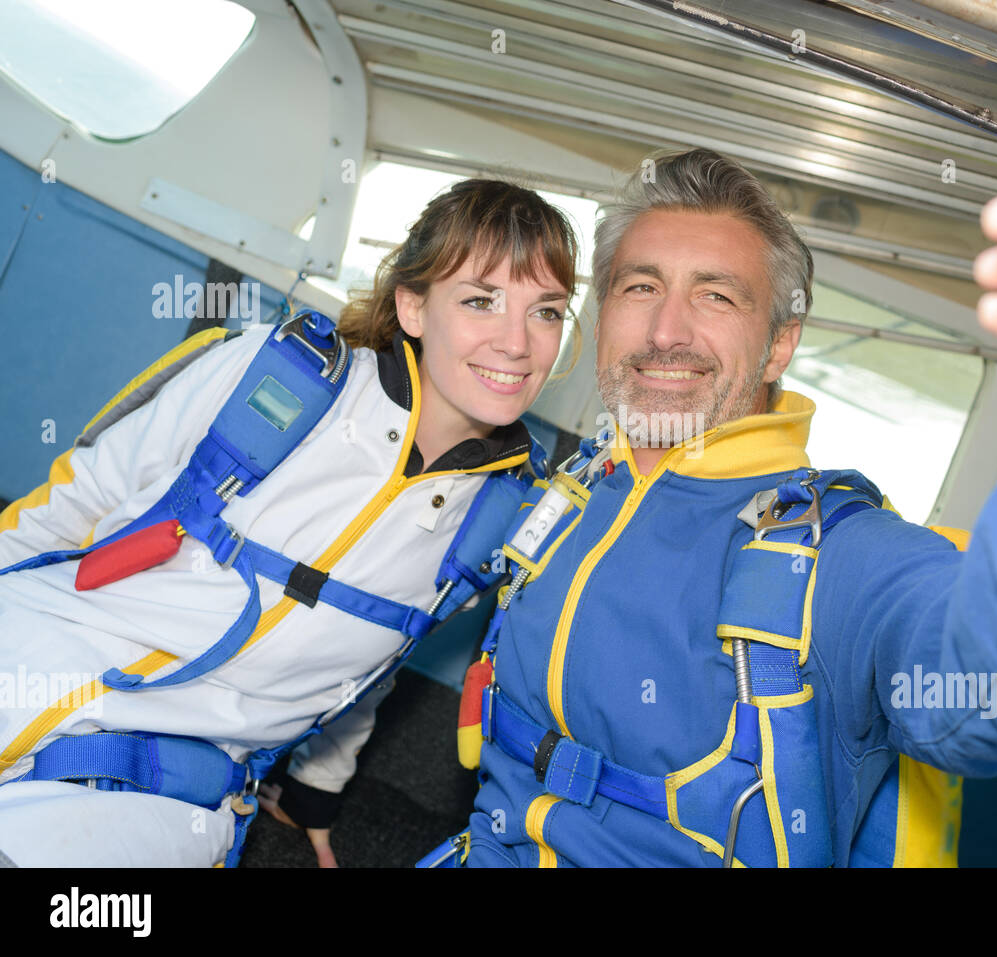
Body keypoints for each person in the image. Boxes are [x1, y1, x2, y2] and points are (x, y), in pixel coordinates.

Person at [436, 112, 997, 867]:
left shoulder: (840, 551)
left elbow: (990, 685)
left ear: (778, 344)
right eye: (640, 286)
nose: (666, 331)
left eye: (716, 296)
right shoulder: (572, 492)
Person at [0, 179, 579, 867]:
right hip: (38, 649)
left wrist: (316, 791)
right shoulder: (271, 373)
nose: (517, 343)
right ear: (413, 306)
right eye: (482, 300)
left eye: (546, 312)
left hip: (172, 776)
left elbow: (369, 663)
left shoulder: (502, 519)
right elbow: (73, 499)